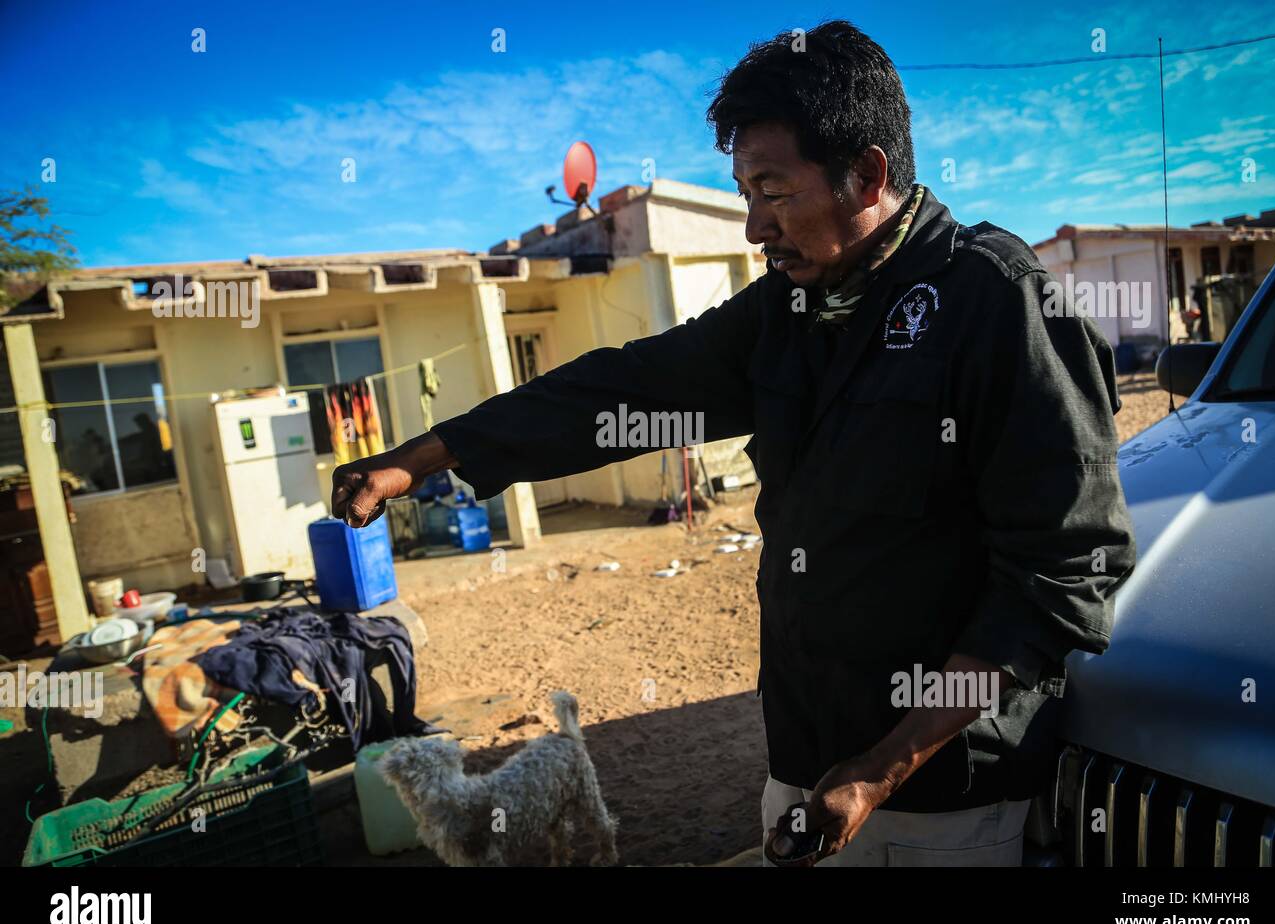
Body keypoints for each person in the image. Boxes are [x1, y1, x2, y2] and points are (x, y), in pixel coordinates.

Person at [332, 20, 1136, 867]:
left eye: (774, 190)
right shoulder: (790, 310)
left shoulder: (996, 305)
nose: (755, 227)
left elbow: (1061, 574)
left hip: (941, 801)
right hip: (803, 766)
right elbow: (626, 387)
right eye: (745, 193)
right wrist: (432, 452)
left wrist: (881, 769)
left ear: (867, 174)